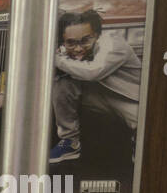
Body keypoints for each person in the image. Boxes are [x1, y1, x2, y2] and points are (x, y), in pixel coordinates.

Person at [49, 9, 141, 164]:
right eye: (71, 42)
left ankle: (137, 141)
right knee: (61, 81)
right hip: (96, 96)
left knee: (147, 144)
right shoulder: (63, 50)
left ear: (97, 35)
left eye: (85, 40)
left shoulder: (113, 43)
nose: (78, 48)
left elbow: (93, 71)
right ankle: (70, 142)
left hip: (132, 99)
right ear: (63, 41)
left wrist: (54, 58)